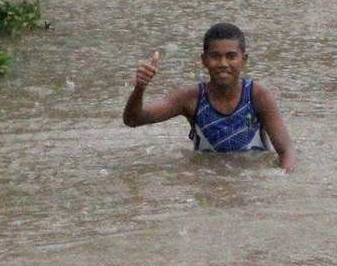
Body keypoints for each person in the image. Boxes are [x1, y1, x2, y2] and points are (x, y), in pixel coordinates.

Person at [121, 22, 296, 171]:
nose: (223, 64)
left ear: (244, 59)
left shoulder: (258, 96)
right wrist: (140, 88)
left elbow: (286, 150)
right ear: (204, 60)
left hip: (251, 183)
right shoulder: (190, 98)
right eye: (215, 56)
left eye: (231, 56)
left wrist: (283, 183)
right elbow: (133, 120)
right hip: (208, 182)